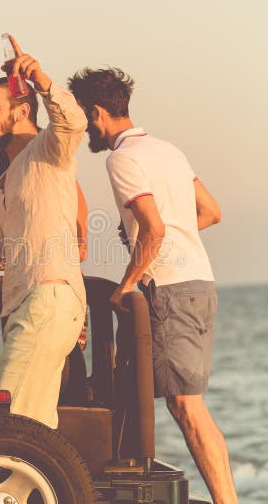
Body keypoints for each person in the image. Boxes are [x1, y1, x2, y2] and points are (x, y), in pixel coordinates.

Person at [68, 67, 236, 503]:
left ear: (97, 112)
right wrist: (164, 239)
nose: (85, 128)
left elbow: (155, 230)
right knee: (180, 402)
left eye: (85, 117)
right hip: (200, 282)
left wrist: (127, 283)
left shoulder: (121, 158)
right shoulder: (168, 150)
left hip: (171, 290)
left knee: (185, 406)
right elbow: (211, 212)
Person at [0, 35, 87, 430]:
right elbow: (6, 242)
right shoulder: (10, 178)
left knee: (1, 425)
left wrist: (38, 76)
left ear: (21, 111)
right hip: (30, 307)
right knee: (34, 432)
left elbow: (73, 121)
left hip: (46, 300)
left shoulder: (48, 150)